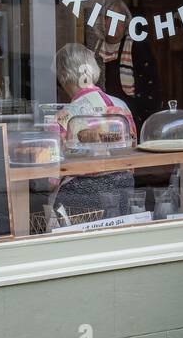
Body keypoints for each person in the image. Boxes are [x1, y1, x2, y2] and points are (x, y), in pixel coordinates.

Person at [50, 43, 135, 227]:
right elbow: (132, 154)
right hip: (123, 189)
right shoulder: (121, 106)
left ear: (63, 76)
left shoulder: (63, 117)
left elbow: (52, 177)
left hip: (80, 196)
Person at [92, 0, 162, 131]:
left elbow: (151, 87)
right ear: (102, 22)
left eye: (119, 19)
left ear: (126, 23)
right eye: (109, 18)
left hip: (132, 119)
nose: (113, 23)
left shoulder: (136, 46)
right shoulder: (94, 47)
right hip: (100, 118)